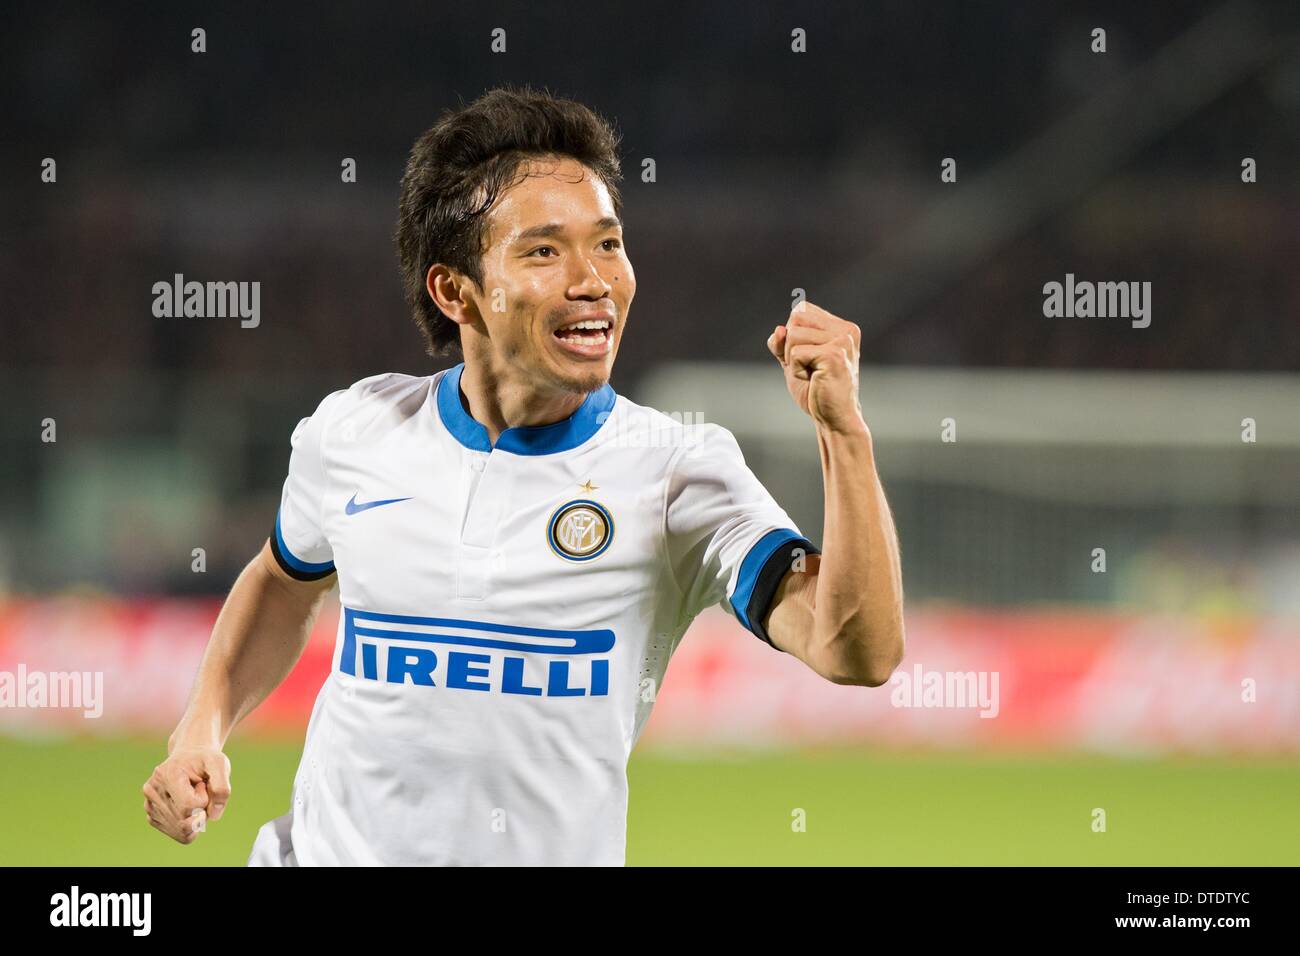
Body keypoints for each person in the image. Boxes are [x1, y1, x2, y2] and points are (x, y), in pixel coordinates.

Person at [142, 84, 905, 866]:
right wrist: (200, 726)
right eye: (545, 250)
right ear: (455, 291)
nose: (594, 279)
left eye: (608, 243)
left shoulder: (678, 472)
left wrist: (844, 435)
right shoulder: (357, 432)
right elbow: (281, 578)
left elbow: (856, 653)